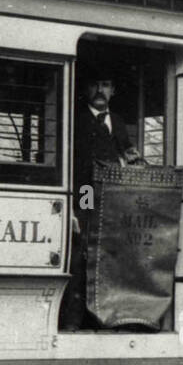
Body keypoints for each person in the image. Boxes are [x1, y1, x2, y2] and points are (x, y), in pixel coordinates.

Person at [61, 67, 145, 331]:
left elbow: (128, 153)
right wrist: (74, 207)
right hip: (85, 192)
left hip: (112, 198)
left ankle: (107, 320)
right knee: (83, 250)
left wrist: (138, 165)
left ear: (113, 91)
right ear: (85, 90)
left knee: (109, 256)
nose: (100, 91)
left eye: (106, 85)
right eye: (95, 85)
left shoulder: (117, 122)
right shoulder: (75, 119)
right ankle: (74, 322)